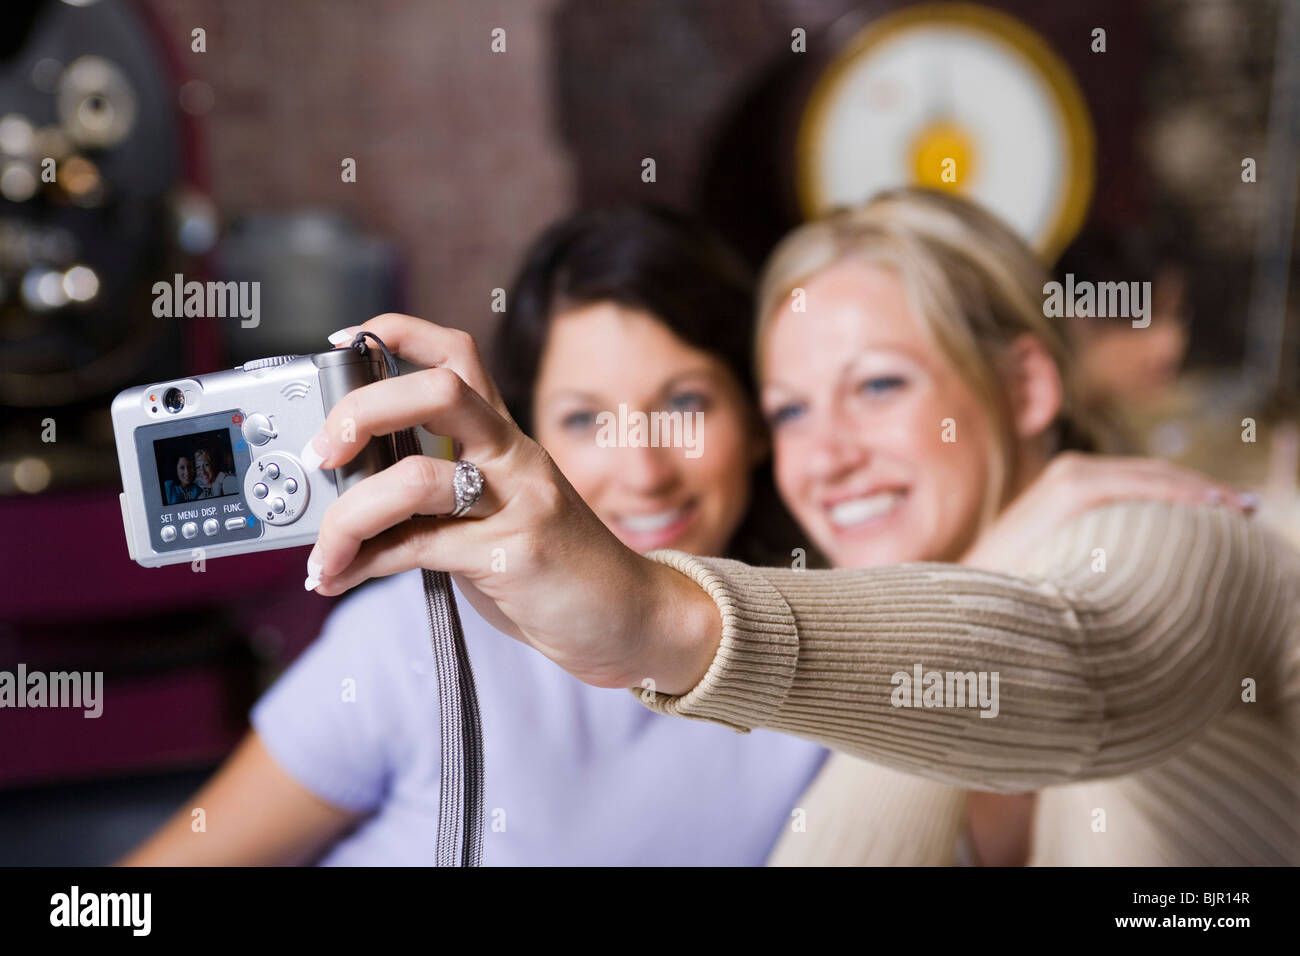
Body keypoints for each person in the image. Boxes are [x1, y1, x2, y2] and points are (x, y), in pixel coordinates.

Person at [300, 187, 1296, 866]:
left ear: (1026, 383)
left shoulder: (1168, 528)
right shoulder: (847, 673)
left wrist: (656, 615)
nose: (825, 454)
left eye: (877, 384)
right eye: (791, 407)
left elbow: (1081, 664)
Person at [122, 206, 831, 866]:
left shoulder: (828, 649)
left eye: (685, 404)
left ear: (758, 417)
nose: (643, 471)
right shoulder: (406, 640)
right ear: (529, 441)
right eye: (585, 420)